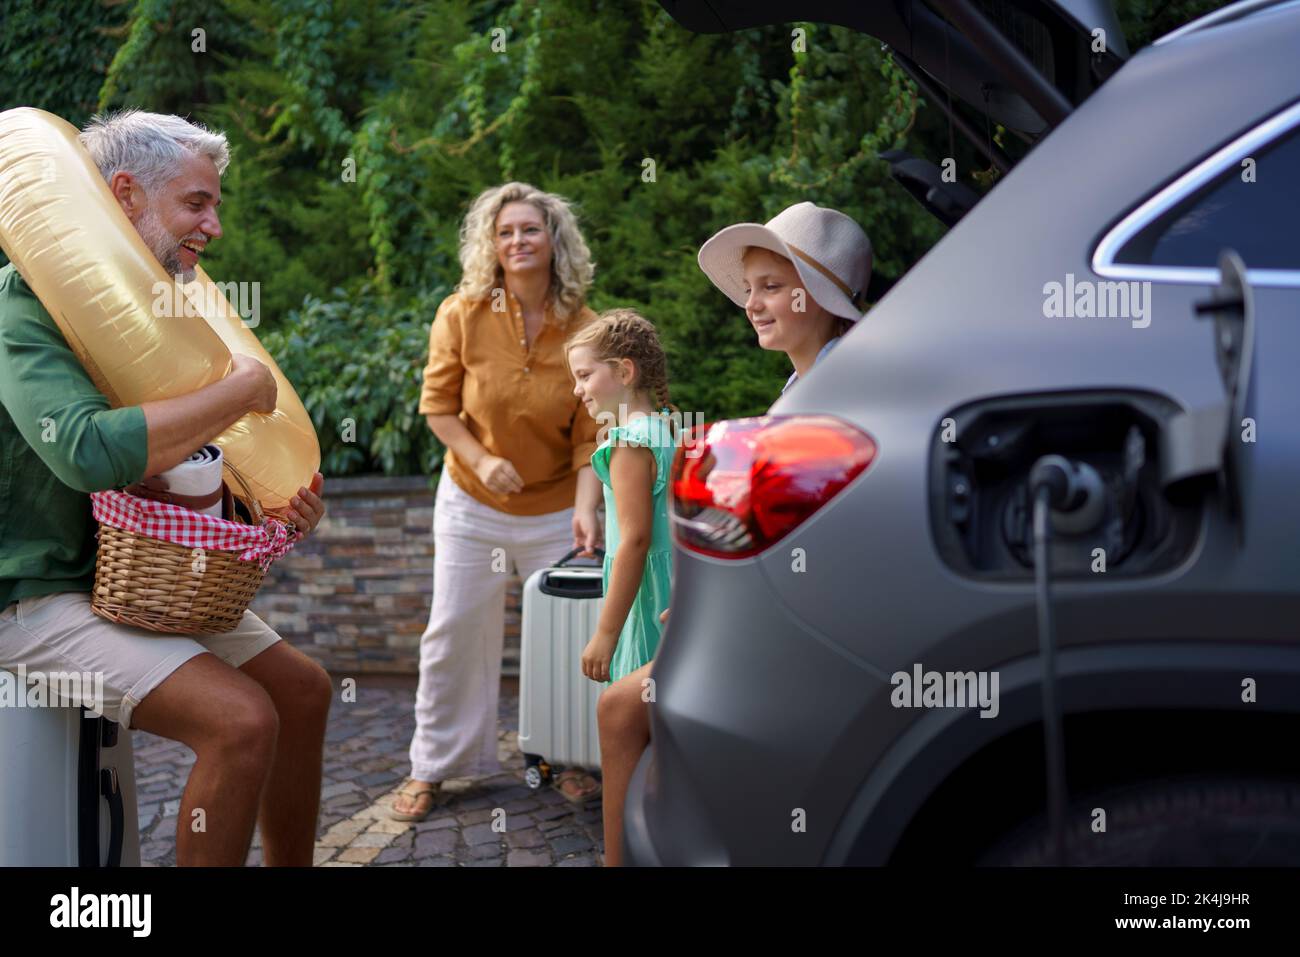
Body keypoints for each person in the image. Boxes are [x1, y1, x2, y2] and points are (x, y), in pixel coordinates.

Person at [0, 109, 331, 867]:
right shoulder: (21, 302)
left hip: (130, 581)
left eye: (216, 204)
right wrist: (240, 391)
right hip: (33, 590)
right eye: (196, 203)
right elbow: (83, 451)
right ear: (123, 194)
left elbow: (191, 460)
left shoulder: (157, 307)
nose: (213, 226)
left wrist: (274, 504)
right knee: (241, 721)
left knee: (304, 693)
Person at [594, 201, 873, 865]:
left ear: (823, 293)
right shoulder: (808, 384)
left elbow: (829, 544)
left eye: (772, 286)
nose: (752, 302)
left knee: (619, 710)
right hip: (789, 621)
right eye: (749, 289)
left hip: (815, 637)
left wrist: (721, 610)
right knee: (623, 707)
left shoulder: (837, 393)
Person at [392, 182, 606, 821]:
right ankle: (434, 767)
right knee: (454, 632)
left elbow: (593, 434)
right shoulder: (460, 311)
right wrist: (483, 458)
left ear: (554, 241)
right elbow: (438, 407)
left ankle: (568, 759)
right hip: (471, 501)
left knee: (570, 638)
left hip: (554, 509)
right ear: (492, 243)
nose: (517, 241)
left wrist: (588, 507)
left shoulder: (588, 328)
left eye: (530, 230)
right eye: (505, 231)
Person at [565, 309, 676, 687]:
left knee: (629, 713)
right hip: (668, 588)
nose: (577, 389)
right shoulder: (663, 430)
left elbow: (635, 540)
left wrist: (606, 634)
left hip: (646, 595)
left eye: (584, 375)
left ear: (625, 372)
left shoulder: (628, 442)